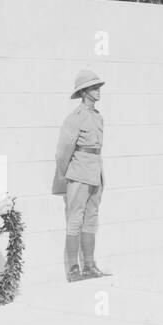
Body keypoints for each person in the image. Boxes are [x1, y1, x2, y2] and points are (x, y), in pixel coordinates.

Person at [53, 69, 109, 281]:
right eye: (94, 87)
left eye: (99, 87)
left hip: (96, 173)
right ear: (84, 92)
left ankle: (90, 265)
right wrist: (67, 174)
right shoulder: (74, 118)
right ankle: (74, 269)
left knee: (91, 220)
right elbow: (63, 151)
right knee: (75, 220)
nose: (98, 90)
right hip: (78, 174)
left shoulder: (98, 117)